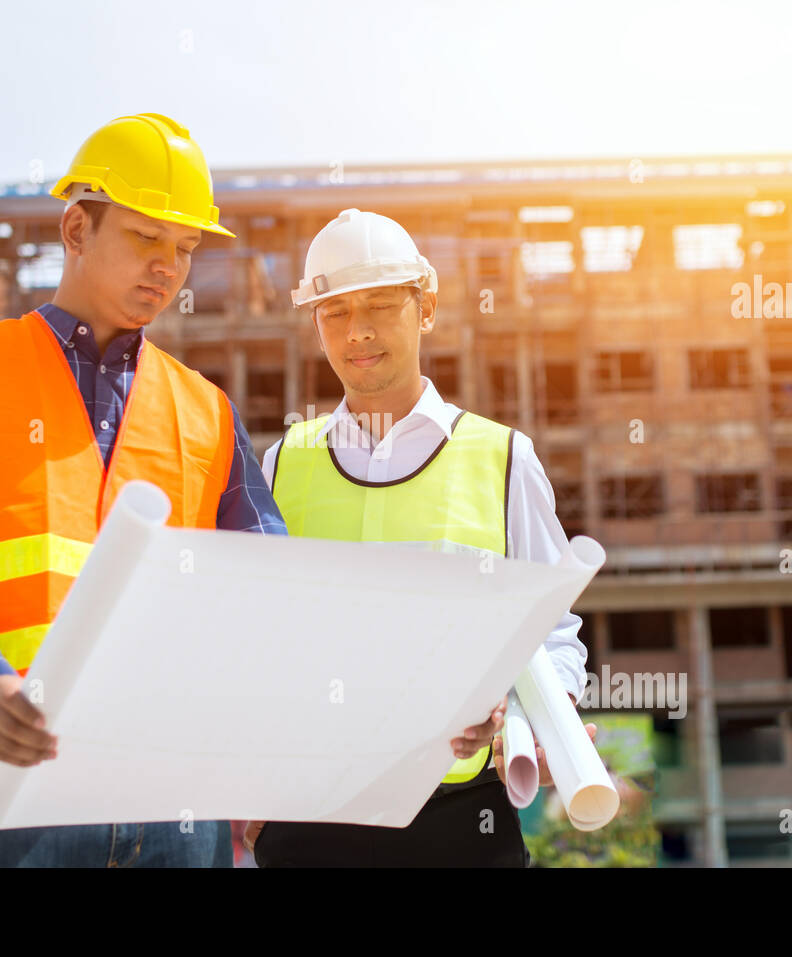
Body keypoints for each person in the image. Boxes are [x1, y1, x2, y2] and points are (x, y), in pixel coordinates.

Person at [0, 113, 287, 867]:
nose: (168, 266)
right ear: (75, 228)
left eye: (186, 248)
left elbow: (268, 590)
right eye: (146, 237)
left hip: (173, 803)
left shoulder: (207, 411)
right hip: (8, 788)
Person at [247, 208, 594, 867]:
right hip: (310, 818)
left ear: (426, 307)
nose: (359, 332)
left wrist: (552, 718)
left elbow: (550, 628)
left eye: (381, 305)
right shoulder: (281, 462)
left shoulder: (502, 458)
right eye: (336, 312)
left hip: (463, 821)